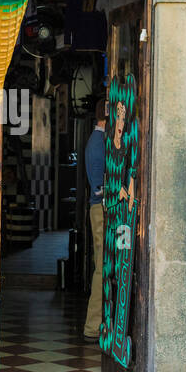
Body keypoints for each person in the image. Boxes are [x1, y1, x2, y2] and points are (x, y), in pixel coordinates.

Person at [82, 96, 107, 340]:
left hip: (98, 208)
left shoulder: (97, 141)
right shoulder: (98, 143)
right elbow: (99, 187)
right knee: (102, 267)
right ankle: (92, 326)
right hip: (101, 209)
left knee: (102, 266)